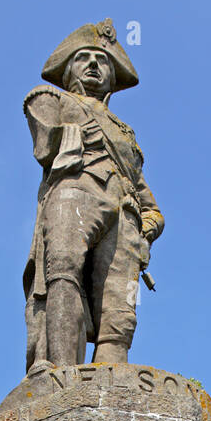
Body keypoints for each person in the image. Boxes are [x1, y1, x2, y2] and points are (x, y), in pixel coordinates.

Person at [23, 19, 164, 369]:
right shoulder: (50, 99)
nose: (93, 66)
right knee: (64, 273)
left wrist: (150, 222)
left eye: (102, 62)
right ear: (67, 67)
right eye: (83, 58)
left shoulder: (126, 134)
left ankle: (110, 375)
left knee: (119, 301)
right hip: (75, 191)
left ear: (113, 78)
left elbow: (148, 200)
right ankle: (60, 370)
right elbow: (46, 147)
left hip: (124, 212)